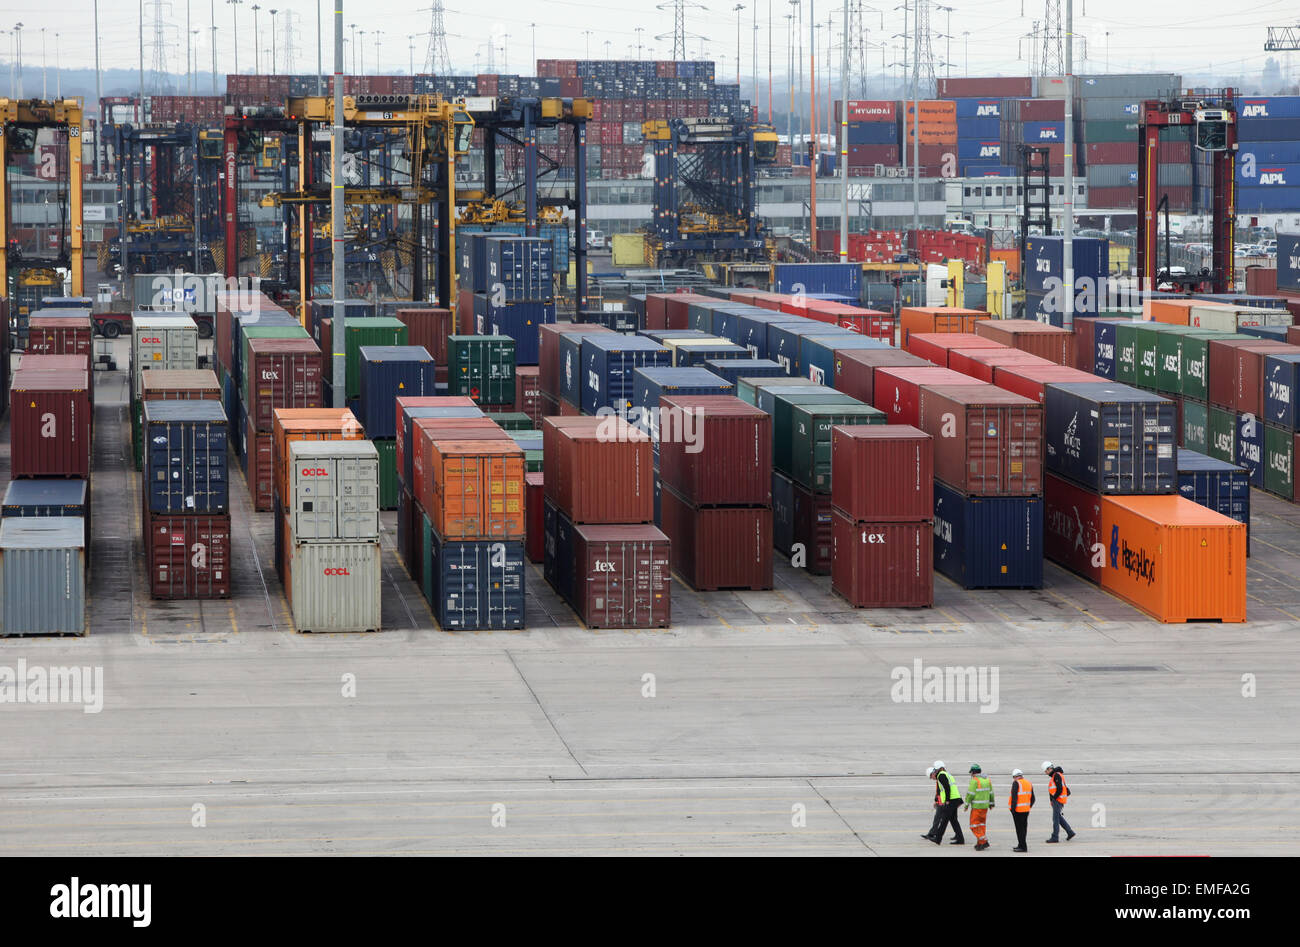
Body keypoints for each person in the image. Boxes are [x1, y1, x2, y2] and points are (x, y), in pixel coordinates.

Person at [930, 761, 965, 845]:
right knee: (953, 820)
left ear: (941, 768)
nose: (935, 771)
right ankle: (960, 839)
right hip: (955, 799)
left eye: (936, 769)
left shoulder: (941, 775)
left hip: (951, 800)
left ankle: (938, 839)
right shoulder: (947, 774)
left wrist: (947, 800)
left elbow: (947, 788)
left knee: (944, 820)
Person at [1043, 761, 1077, 843]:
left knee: (1055, 819)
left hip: (1058, 800)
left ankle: (1055, 837)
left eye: (1046, 771)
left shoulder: (1057, 775)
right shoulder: (1056, 775)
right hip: (1057, 800)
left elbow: (1060, 789)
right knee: (1059, 818)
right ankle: (1070, 832)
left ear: (1049, 768)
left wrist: (1054, 798)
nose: (1045, 773)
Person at [962, 763, 994, 851]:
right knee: (981, 825)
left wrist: (966, 805)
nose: (971, 775)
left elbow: (970, 794)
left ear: (973, 772)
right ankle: (980, 844)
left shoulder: (975, 780)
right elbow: (991, 793)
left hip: (977, 807)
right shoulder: (987, 780)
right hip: (985, 807)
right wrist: (991, 803)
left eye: (971, 773)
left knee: (973, 825)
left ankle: (983, 841)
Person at [1008, 767, 1035, 852]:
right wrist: (1028, 806)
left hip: (1018, 811)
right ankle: (1021, 844)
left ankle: (1023, 847)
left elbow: (1014, 798)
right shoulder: (1029, 783)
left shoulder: (1016, 783)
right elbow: (1033, 799)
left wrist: (1012, 810)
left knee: (1019, 829)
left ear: (1016, 776)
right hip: (1026, 810)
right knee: (1023, 828)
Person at [921, 767, 944, 841]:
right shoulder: (938, 779)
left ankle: (933, 834)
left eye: (930, 777)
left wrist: (939, 802)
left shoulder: (940, 779)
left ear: (933, 773)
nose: (931, 778)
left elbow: (942, 792)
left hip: (943, 803)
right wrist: (936, 801)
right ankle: (959, 835)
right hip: (941, 802)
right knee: (952, 820)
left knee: (938, 819)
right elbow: (938, 792)